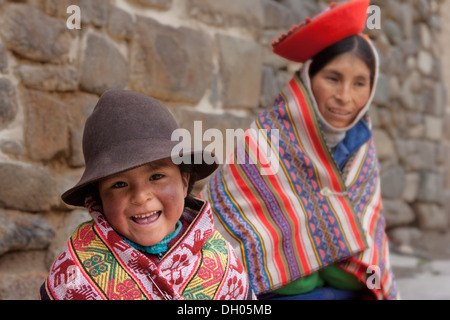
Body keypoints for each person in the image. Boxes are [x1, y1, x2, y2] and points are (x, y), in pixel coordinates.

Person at [202, 0, 399, 300]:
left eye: (360, 83)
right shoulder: (266, 138)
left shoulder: (362, 146)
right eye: (332, 78)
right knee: (298, 281)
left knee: (353, 277)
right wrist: (309, 255)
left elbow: (368, 246)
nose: (345, 97)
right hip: (277, 294)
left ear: (371, 89)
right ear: (308, 78)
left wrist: (318, 252)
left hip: (341, 288)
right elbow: (236, 232)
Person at [40, 90, 254, 300]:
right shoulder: (77, 272)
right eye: (119, 184)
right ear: (98, 200)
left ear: (184, 180)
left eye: (156, 176)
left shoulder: (221, 262)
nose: (141, 196)